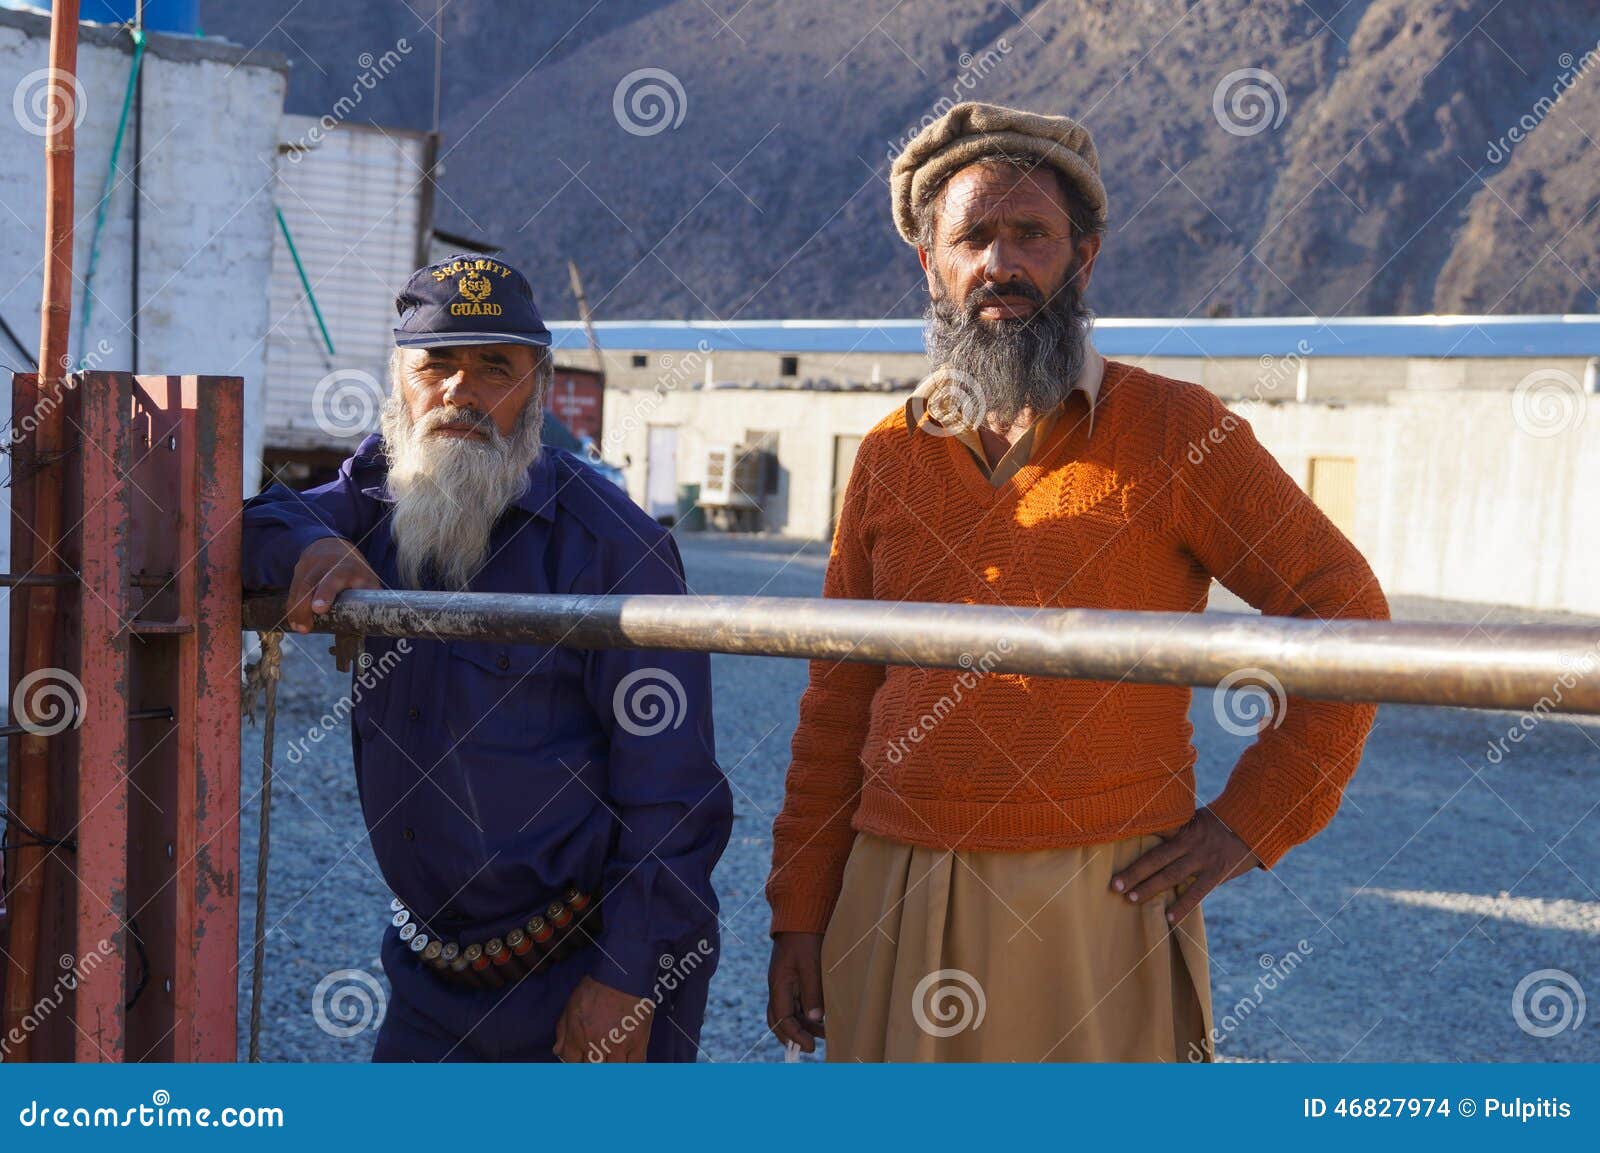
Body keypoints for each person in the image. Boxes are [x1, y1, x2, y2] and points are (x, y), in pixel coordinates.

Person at [765, 103, 1390, 1061]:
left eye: (1031, 235)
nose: (1000, 265)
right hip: (893, 882)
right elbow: (839, 694)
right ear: (929, 263)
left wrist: (1250, 819)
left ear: (1084, 259)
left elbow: (1343, 605)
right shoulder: (891, 453)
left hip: (1099, 893)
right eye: (972, 236)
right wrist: (801, 911)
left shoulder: (1177, 431)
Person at [242, 255, 732, 1061]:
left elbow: (675, 792)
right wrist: (309, 546)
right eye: (436, 363)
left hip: (583, 968)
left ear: (536, 386)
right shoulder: (378, 497)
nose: (460, 392)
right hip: (429, 973)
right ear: (400, 379)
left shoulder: (615, 549)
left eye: (494, 367)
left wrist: (628, 976)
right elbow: (262, 518)